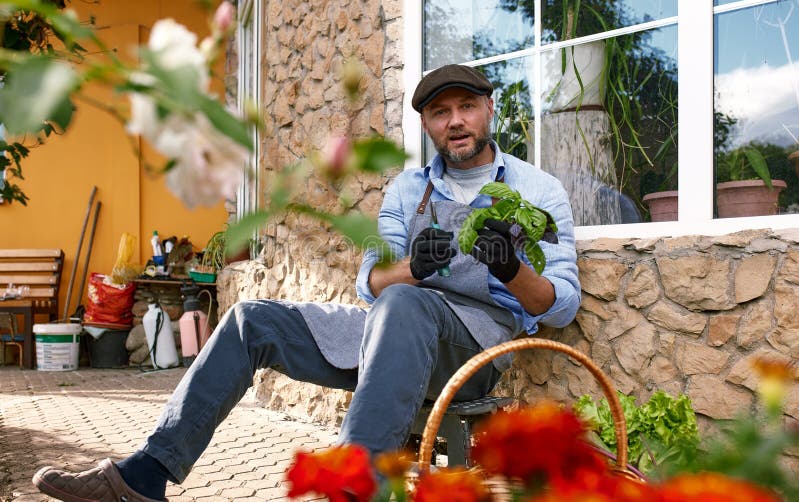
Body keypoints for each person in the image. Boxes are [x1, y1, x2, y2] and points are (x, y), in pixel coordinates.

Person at [32, 64, 581, 502]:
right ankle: (146, 474)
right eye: (441, 112)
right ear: (426, 125)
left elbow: (559, 307)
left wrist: (512, 269)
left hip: (474, 352)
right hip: (389, 327)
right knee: (253, 320)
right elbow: (372, 282)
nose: (455, 121)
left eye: (466, 107)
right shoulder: (406, 189)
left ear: (489, 109)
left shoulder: (537, 189)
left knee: (407, 306)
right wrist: (415, 266)